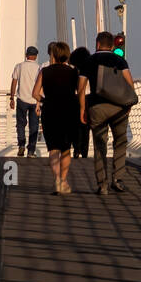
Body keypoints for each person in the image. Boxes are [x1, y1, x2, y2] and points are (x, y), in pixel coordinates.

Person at [81, 30, 136, 196]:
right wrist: (128, 106)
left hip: (97, 108)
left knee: (99, 146)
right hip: (119, 108)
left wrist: (83, 109)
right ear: (112, 45)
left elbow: (81, 87)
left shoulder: (88, 61)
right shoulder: (120, 60)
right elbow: (130, 84)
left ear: (97, 44)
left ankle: (102, 184)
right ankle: (118, 179)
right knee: (120, 142)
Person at [33, 41, 85, 195]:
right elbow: (80, 90)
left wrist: (44, 100)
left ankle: (56, 179)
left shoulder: (45, 71)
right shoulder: (74, 72)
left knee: (53, 148)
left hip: (50, 110)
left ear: (53, 54)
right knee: (66, 148)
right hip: (69, 110)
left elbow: (35, 93)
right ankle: (63, 180)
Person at [9, 46, 40, 157]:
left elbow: (14, 82)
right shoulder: (38, 68)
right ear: (36, 56)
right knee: (34, 126)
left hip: (21, 99)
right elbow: (40, 86)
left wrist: (11, 98)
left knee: (20, 124)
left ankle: (21, 145)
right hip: (34, 100)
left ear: (26, 54)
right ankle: (31, 151)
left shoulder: (19, 66)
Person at [69, 45, 92, 158]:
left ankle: (76, 149)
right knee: (86, 127)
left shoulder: (73, 71)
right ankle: (84, 151)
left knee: (75, 125)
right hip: (88, 98)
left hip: (75, 99)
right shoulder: (90, 69)